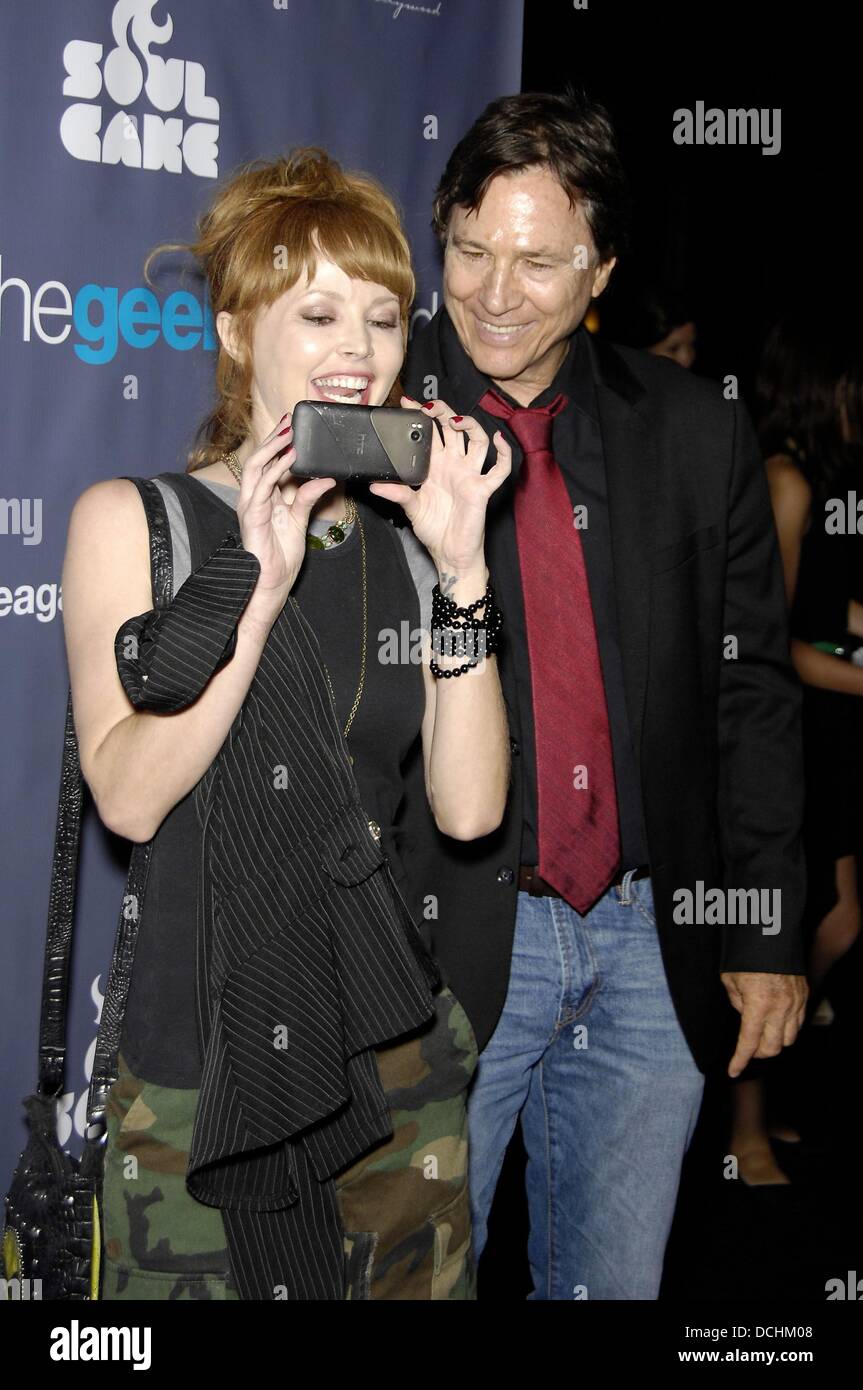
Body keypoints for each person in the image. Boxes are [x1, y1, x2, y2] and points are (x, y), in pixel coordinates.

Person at [60, 147, 512, 1300]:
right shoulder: (137, 524)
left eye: (380, 316)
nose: (358, 348)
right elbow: (129, 793)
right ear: (234, 330)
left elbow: (468, 809)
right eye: (316, 313)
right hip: (199, 1066)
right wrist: (253, 591)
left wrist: (463, 573)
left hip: (392, 1050)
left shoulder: (413, 539)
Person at [400, 86, 809, 1300]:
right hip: (451, 935)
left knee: (610, 1288)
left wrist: (763, 928)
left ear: (602, 273)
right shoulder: (369, 422)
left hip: (647, 940)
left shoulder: (693, 430)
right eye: (470, 249)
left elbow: (752, 700)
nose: (491, 291)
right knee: (416, 1279)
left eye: (537, 261)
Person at [729, 308, 863, 1183]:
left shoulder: (826, 475)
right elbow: (762, 642)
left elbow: (821, 607)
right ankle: (739, 1123)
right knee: (784, 934)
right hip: (795, 740)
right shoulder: (784, 479)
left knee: (840, 921)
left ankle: (760, 1099)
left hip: (838, 737)